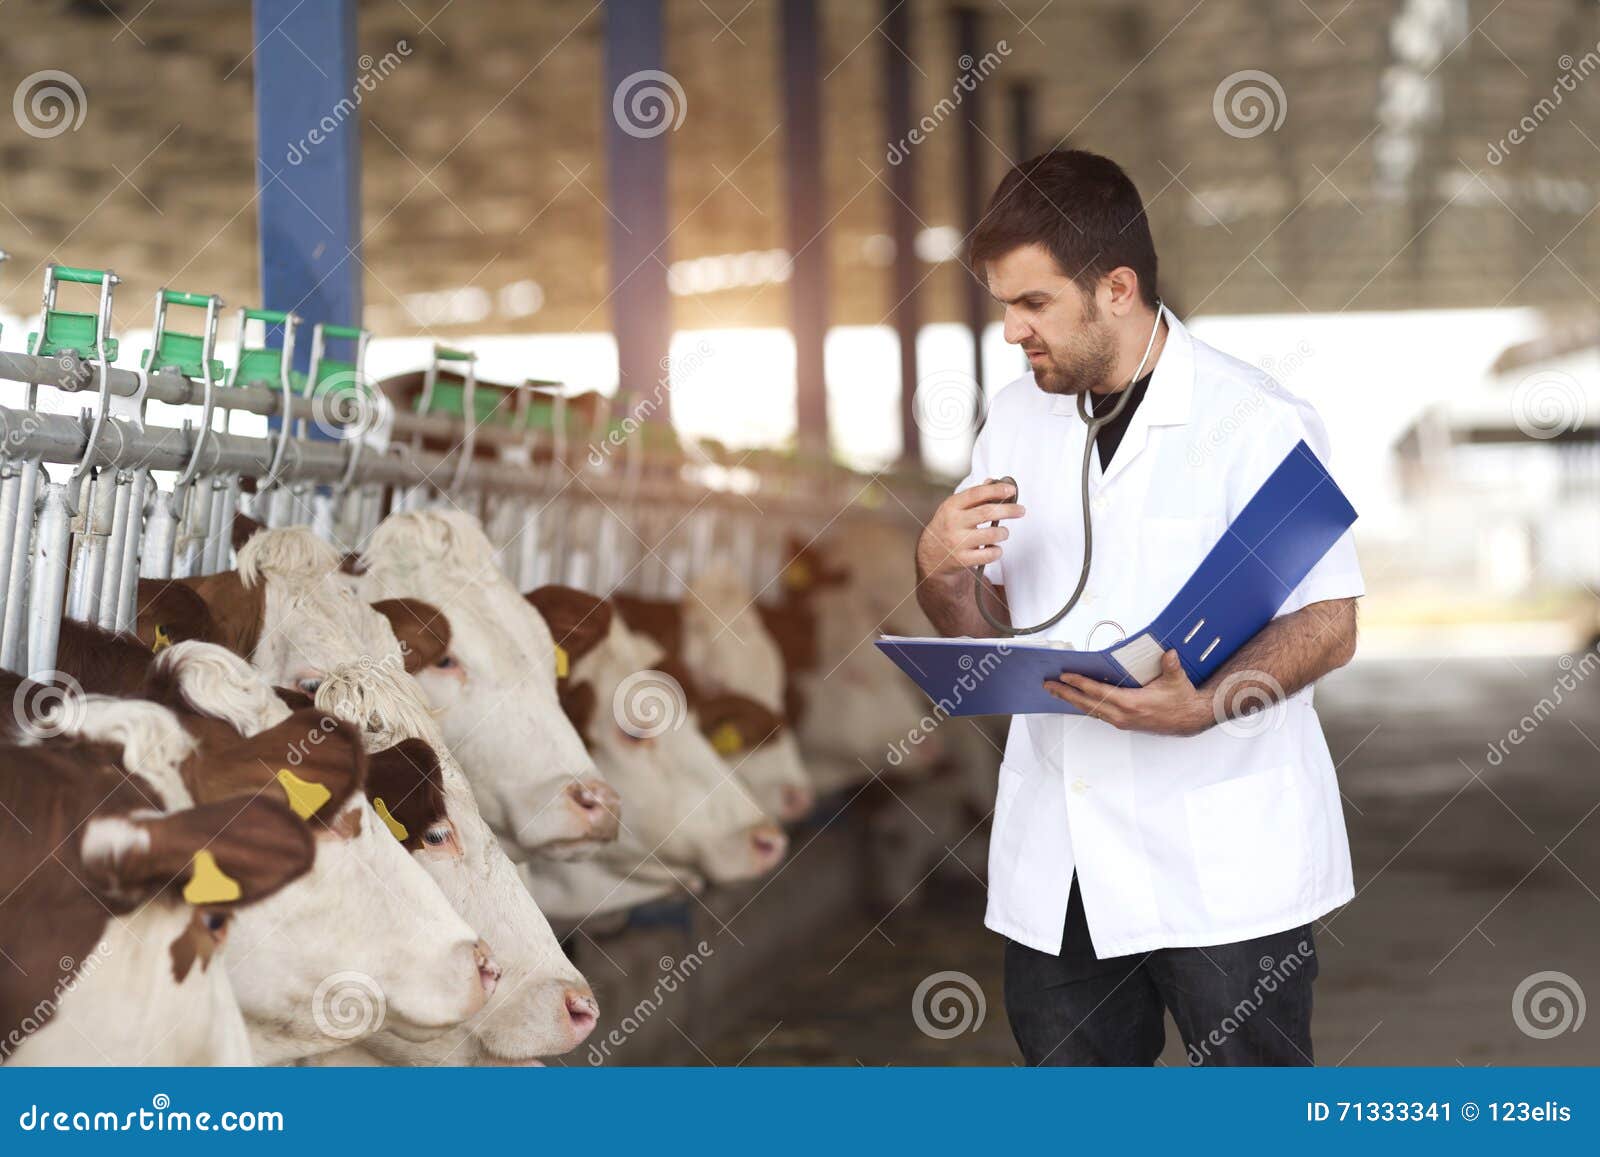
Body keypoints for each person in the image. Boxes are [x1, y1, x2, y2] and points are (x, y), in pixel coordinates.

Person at [914, 150, 1363, 1066]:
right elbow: (980, 630)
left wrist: (1208, 702)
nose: (1010, 332)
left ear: (1116, 287)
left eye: (1033, 304)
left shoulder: (1255, 417)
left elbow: (1330, 622)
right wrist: (938, 573)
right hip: (1061, 863)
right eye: (1003, 305)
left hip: (1222, 864)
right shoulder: (1014, 418)